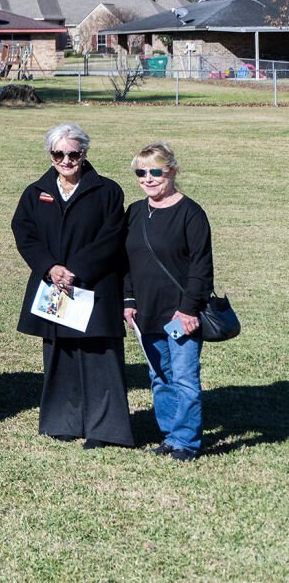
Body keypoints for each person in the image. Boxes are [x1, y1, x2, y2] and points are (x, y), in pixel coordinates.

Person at [11, 123, 132, 448]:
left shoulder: (108, 191)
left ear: (84, 153)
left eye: (73, 153)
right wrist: (49, 267)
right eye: (59, 153)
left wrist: (75, 270)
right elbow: (24, 232)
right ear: (50, 155)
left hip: (94, 287)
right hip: (54, 287)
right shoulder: (36, 192)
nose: (66, 160)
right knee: (59, 355)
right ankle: (63, 421)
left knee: (98, 357)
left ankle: (105, 430)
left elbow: (113, 237)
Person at [122, 141, 214, 462]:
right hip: (145, 311)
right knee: (159, 376)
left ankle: (187, 441)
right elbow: (126, 262)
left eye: (155, 171)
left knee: (184, 378)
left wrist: (189, 309)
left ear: (172, 170)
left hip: (180, 313)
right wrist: (128, 300)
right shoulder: (134, 212)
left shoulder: (191, 213)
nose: (148, 178)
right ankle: (170, 436)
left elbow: (202, 268)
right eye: (140, 172)